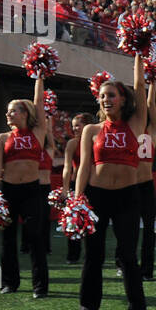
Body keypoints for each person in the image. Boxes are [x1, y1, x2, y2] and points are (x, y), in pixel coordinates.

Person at [75, 52, 149, 310]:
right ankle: (88, 306)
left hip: (128, 197)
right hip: (96, 196)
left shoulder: (135, 123)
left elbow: (140, 89)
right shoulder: (91, 130)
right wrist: (77, 199)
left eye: (112, 95)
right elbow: (84, 167)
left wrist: (139, 54)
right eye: (103, 96)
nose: (106, 100)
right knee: (93, 255)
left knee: (128, 256)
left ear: (123, 100)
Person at [0, 75, 50, 298]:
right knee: (8, 237)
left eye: (13, 110)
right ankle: (9, 283)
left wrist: (39, 77)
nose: (8, 114)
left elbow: (39, 102)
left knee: (35, 237)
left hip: (32, 190)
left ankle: (40, 287)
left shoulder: (38, 132)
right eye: (7, 111)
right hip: (8, 191)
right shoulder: (2, 138)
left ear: (25, 113)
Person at [116, 82, 156, 281]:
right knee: (125, 227)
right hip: (129, 185)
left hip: (146, 185)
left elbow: (150, 103)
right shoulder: (128, 130)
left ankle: (147, 269)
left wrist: (152, 83)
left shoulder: (152, 130)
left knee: (149, 230)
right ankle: (122, 263)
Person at [60, 113, 90, 264]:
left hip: (93, 185)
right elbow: (67, 168)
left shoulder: (95, 140)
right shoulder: (72, 143)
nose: (75, 129)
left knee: (93, 220)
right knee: (74, 219)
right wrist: (65, 189)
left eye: (78, 125)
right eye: (73, 126)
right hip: (75, 185)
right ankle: (73, 255)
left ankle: (92, 253)